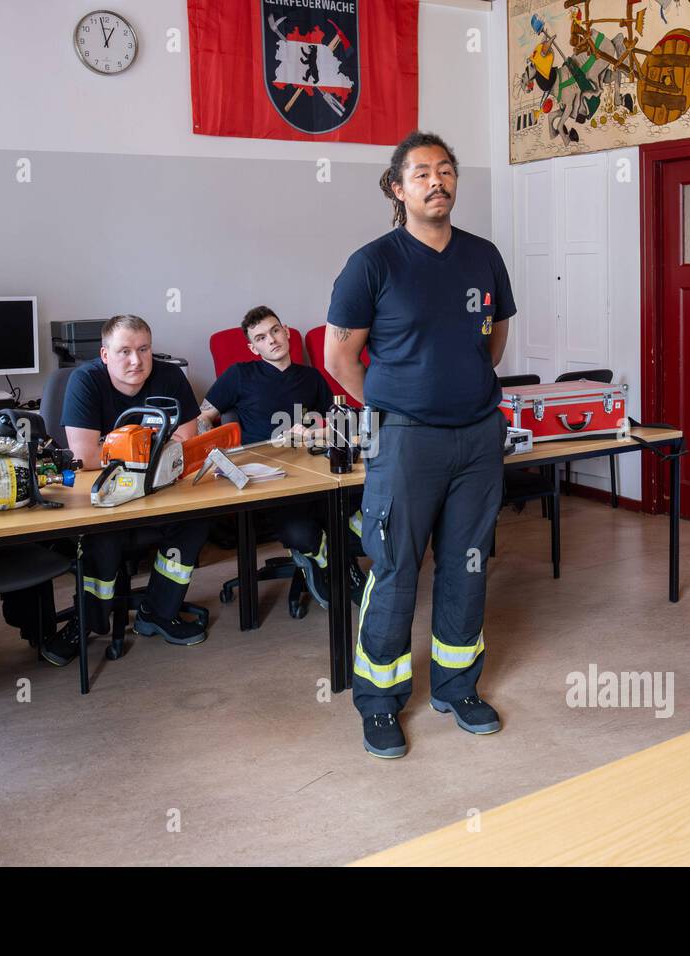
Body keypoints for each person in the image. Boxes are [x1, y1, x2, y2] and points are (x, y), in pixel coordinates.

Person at [325, 130, 516, 759]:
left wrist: (465, 394)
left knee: (467, 564)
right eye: (422, 173)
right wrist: (395, 405)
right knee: (395, 568)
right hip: (404, 440)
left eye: (446, 170)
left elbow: (494, 338)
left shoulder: (484, 256)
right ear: (397, 187)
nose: (437, 182)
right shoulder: (372, 263)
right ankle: (379, 703)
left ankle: (458, 688)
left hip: (479, 436)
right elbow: (341, 357)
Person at [34, 315, 210, 665]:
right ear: (104, 354)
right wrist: (153, 446)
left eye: (143, 349)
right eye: (125, 351)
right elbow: (85, 456)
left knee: (197, 518)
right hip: (103, 495)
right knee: (104, 535)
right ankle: (85, 623)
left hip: (159, 489)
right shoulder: (85, 380)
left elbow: (187, 442)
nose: (136, 360)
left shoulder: (170, 376)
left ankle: (158, 612)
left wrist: (116, 448)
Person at [197, 305, 363, 608]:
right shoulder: (239, 374)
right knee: (301, 530)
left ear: (286, 332)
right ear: (253, 347)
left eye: (275, 331)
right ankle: (329, 563)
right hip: (267, 475)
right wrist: (211, 448)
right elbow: (204, 417)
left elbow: (337, 424)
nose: (271, 340)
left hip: (312, 464)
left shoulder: (311, 377)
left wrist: (314, 434)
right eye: (261, 337)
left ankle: (337, 558)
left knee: (352, 500)